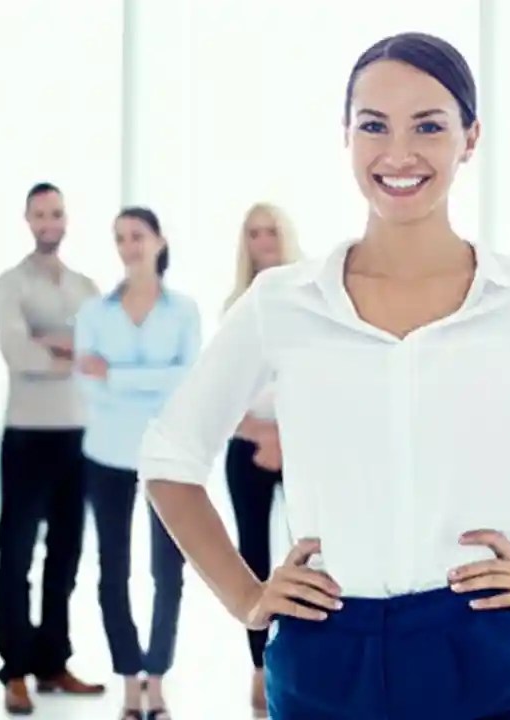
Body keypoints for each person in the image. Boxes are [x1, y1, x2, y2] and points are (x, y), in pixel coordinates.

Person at [139, 32, 510, 720]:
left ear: (470, 137)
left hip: (481, 649)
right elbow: (170, 457)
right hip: (325, 654)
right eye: (374, 125)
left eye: (428, 126)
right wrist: (246, 597)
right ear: (346, 135)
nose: (398, 153)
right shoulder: (282, 302)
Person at [74, 207, 202, 720]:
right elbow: (87, 385)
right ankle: (129, 680)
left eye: (138, 236)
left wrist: (116, 375)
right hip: (107, 452)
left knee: (168, 572)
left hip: (167, 454)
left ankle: (158, 679)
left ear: (159, 241)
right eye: (121, 238)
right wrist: (149, 379)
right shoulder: (94, 313)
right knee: (113, 570)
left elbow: (187, 381)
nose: (129, 246)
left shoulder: (184, 311)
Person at [0, 182, 105, 714]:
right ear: (27, 220)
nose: (48, 222)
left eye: (56, 213)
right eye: (39, 214)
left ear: (65, 219)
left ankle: (53, 663)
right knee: (16, 555)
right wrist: (71, 353)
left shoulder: (86, 287)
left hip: (76, 434)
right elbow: (16, 352)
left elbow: (102, 351)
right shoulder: (11, 282)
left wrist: (54, 344)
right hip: (27, 434)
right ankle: (15, 670)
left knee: (65, 554)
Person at [220, 202, 304, 717]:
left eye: (271, 231)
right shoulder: (235, 308)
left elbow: (322, 387)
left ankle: (303, 659)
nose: (264, 241)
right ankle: (259, 666)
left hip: (302, 447)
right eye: (253, 233)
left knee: (311, 552)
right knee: (251, 554)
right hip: (247, 444)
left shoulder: (309, 302)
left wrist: (287, 439)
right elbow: (221, 395)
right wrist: (258, 433)